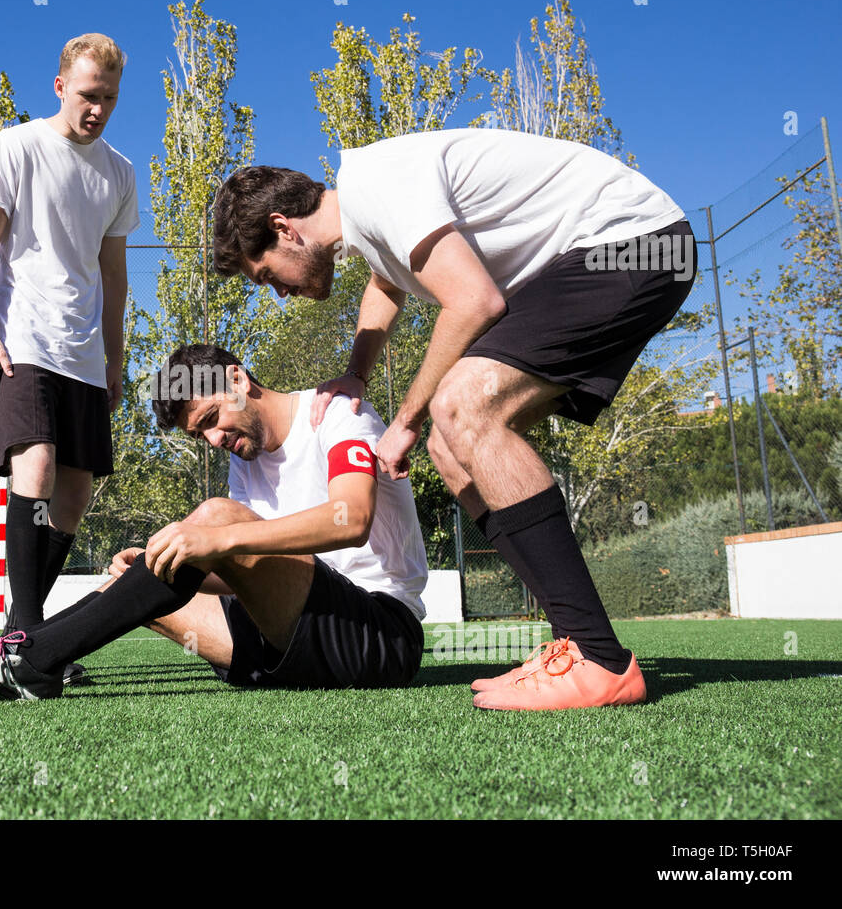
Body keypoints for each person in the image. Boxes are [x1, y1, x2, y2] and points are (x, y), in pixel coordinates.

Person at [209, 128, 697, 711]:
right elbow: (386, 286)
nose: (279, 293)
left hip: (632, 243)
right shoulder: (369, 219)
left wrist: (407, 417)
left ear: (285, 229)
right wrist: (357, 374)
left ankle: (599, 658)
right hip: (601, 257)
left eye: (266, 275)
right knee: (451, 447)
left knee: (461, 407)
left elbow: (475, 302)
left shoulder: (377, 181)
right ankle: (574, 643)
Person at [0, 344, 428, 700]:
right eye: (201, 436)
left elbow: (350, 518)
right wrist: (172, 561)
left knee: (214, 519)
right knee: (144, 571)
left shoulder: (336, 414)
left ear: (238, 380)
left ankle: (15, 661)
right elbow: (251, 567)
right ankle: (26, 657)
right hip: (289, 640)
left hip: (377, 635)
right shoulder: (245, 464)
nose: (215, 440)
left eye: (213, 419)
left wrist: (216, 535)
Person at [0, 33, 139, 685]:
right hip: (23, 340)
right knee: (33, 464)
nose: (98, 109)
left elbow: (114, 277)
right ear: (61, 86)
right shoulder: (15, 147)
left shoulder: (120, 173)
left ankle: (27, 639)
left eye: (111, 100)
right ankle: (30, 642)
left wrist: (114, 359)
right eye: (89, 95)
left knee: (75, 491)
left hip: (83, 355)